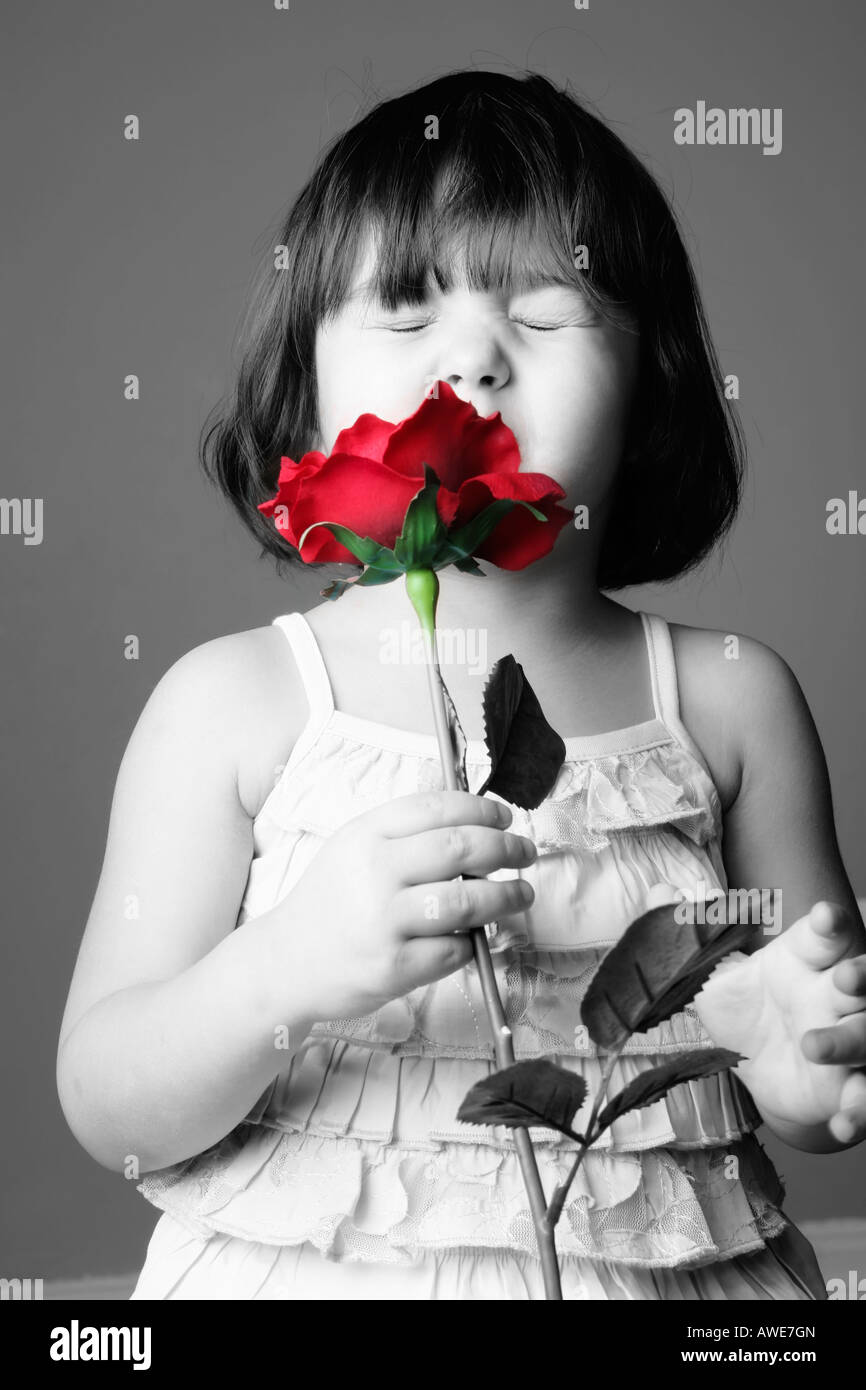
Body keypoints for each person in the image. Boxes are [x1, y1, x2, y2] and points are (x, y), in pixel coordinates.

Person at [57, 69, 866, 1300]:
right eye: (404, 308)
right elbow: (111, 1103)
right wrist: (282, 968)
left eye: (542, 315)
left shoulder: (730, 698)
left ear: (650, 391)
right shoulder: (231, 705)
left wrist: (800, 1061)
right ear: (306, 376)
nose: (472, 361)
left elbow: (816, 1062)